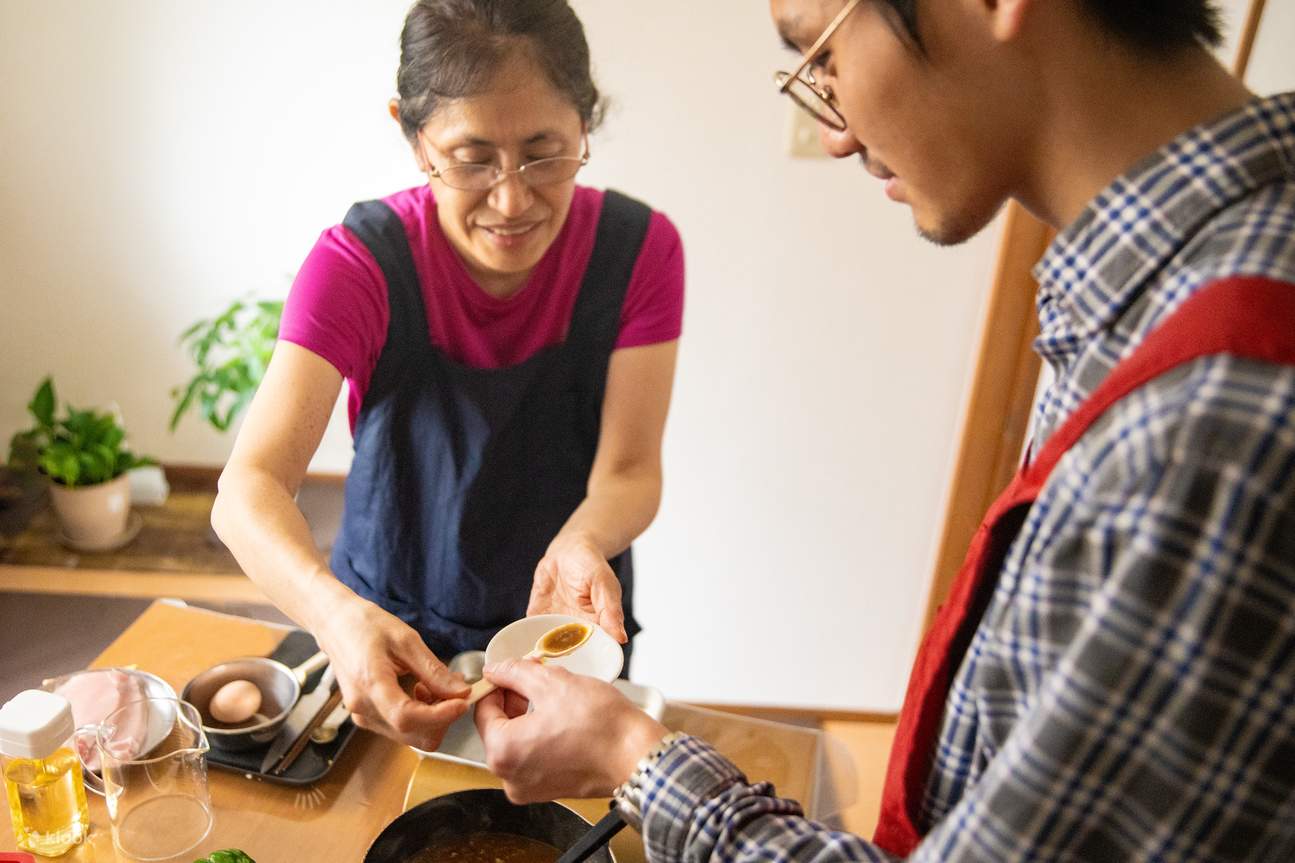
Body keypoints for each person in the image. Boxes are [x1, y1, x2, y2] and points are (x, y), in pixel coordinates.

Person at [474, 0, 1295, 859]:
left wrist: (629, 753)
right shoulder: (1153, 298)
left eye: (819, 56)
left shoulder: (1221, 399)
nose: (832, 131)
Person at [212, 0, 683, 752]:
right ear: (412, 134)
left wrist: (580, 542)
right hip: (391, 624)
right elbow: (247, 491)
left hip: (563, 629)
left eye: (544, 152)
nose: (511, 198)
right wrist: (336, 616)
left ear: (585, 124)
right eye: (471, 158)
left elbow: (629, 468)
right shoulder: (358, 265)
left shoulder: (639, 251)